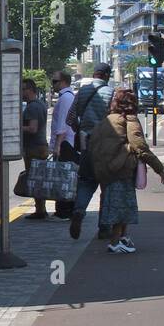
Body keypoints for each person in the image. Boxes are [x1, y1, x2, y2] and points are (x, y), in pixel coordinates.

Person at [88, 87, 164, 253]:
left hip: (105, 169)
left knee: (116, 204)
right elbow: (140, 147)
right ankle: (115, 242)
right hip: (121, 169)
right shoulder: (130, 120)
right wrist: (159, 168)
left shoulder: (106, 120)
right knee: (121, 207)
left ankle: (122, 238)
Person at [66, 63, 114, 239]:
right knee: (106, 187)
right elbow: (114, 120)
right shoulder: (110, 93)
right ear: (107, 76)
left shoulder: (83, 91)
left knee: (86, 182)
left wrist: (80, 131)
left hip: (87, 145)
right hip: (105, 146)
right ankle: (104, 227)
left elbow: (70, 118)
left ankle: (78, 211)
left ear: (94, 74)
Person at [21, 77, 49, 220]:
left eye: (23, 89)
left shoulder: (32, 107)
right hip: (41, 146)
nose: (20, 92)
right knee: (39, 179)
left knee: (34, 179)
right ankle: (41, 209)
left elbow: (32, 128)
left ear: (30, 90)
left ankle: (40, 211)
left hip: (34, 148)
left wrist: (16, 127)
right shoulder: (41, 104)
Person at [49, 70, 76, 218]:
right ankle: (64, 209)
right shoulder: (67, 97)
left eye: (55, 82)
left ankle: (64, 210)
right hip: (66, 144)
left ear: (63, 82)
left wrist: (57, 146)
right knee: (64, 177)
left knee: (63, 178)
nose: (52, 85)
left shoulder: (65, 98)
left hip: (65, 145)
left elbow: (62, 125)